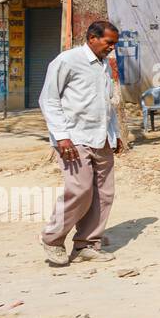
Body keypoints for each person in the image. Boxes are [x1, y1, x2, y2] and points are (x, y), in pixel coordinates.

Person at [38, 21, 123, 266]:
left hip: (101, 137)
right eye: (109, 42)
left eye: (114, 43)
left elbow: (107, 102)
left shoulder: (105, 65)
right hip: (74, 139)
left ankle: (87, 244)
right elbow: (49, 100)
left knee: (104, 194)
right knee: (80, 190)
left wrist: (114, 133)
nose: (112, 48)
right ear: (92, 38)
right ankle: (52, 239)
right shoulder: (67, 61)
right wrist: (62, 136)